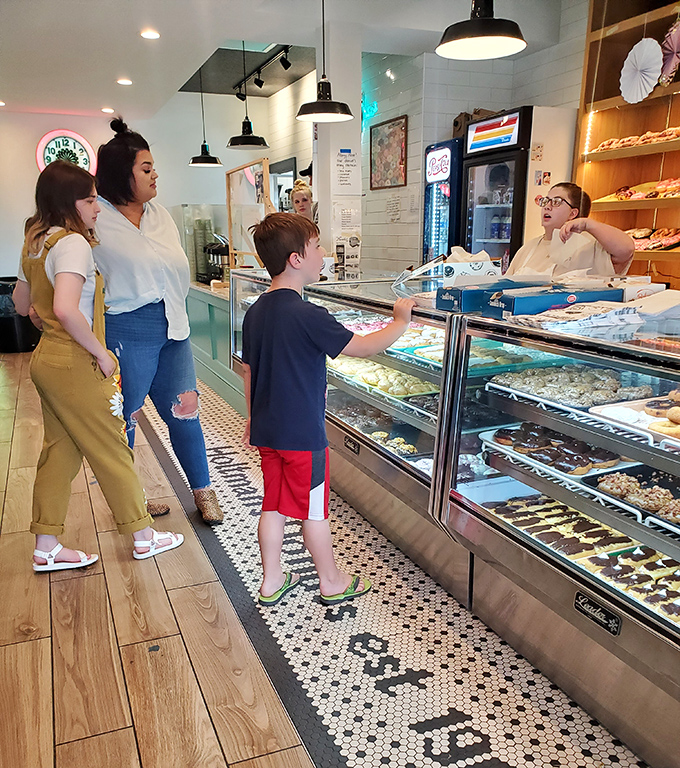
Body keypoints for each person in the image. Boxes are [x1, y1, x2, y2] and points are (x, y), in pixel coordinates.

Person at [13, 160, 183, 571]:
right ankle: (143, 535)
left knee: (60, 452)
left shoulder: (36, 241)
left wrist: (47, 320)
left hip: (47, 360)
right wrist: (101, 353)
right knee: (111, 447)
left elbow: (23, 305)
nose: (97, 208)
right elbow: (66, 309)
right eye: (89, 200)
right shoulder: (72, 244)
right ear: (67, 203)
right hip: (77, 361)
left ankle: (46, 545)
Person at [241, 212, 415, 606]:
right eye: (316, 246)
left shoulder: (256, 311)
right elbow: (365, 346)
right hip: (303, 434)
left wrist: (252, 420)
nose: (324, 255)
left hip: (268, 430)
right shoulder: (308, 315)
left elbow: (248, 372)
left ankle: (271, 581)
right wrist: (400, 322)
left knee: (273, 504)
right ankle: (332, 582)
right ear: (296, 259)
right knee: (314, 512)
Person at [94, 118, 224, 525]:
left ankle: (203, 491)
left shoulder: (160, 215)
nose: (155, 176)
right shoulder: (96, 219)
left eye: (154, 168)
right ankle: (130, 501)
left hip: (175, 327)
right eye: (146, 169)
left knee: (185, 411)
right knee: (124, 417)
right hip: (126, 330)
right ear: (121, 175)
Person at [505, 181, 634, 277]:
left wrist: (587, 224)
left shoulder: (591, 245)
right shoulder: (528, 248)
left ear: (573, 213)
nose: (547, 207)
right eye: (545, 201)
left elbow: (626, 249)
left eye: (556, 202)